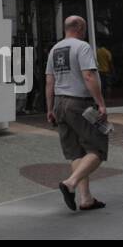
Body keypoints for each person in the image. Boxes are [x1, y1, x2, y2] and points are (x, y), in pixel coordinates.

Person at [46, 15, 108, 211]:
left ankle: (86, 198)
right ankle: (70, 183)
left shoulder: (54, 50)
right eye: (85, 28)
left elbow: (49, 82)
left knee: (76, 153)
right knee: (98, 149)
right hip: (79, 104)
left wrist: (49, 109)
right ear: (80, 28)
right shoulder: (82, 47)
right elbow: (88, 76)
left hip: (60, 104)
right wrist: (101, 104)